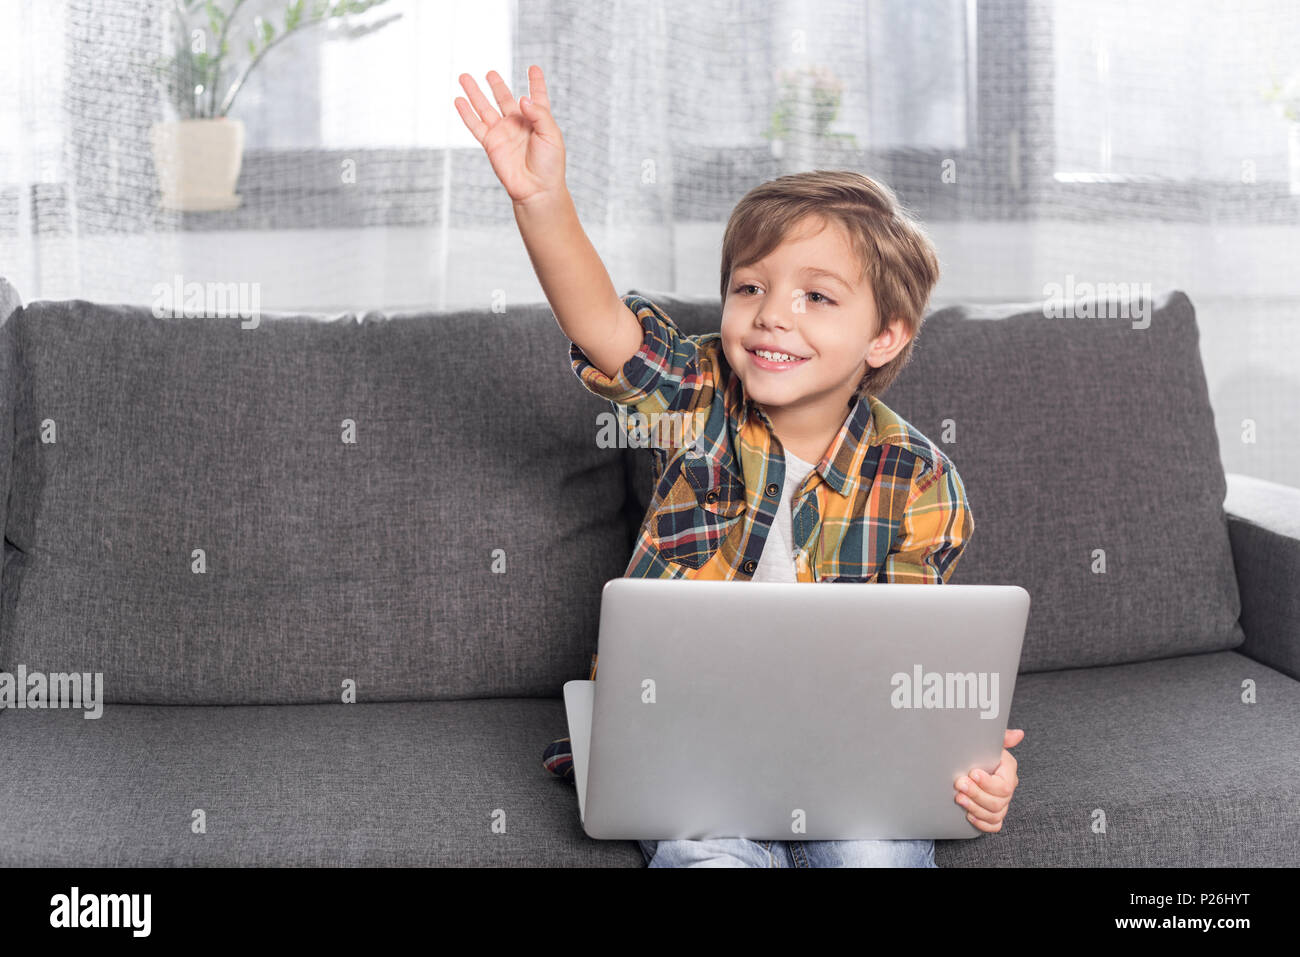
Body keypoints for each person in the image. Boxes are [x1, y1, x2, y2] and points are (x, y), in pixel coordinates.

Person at [454, 65, 1023, 868]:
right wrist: (540, 200)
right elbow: (604, 328)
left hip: (843, 752)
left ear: (885, 335)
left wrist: (973, 763)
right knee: (707, 856)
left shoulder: (922, 480)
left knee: (873, 856)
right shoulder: (699, 395)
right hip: (683, 734)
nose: (770, 314)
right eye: (749, 286)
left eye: (817, 297)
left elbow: (915, 673)